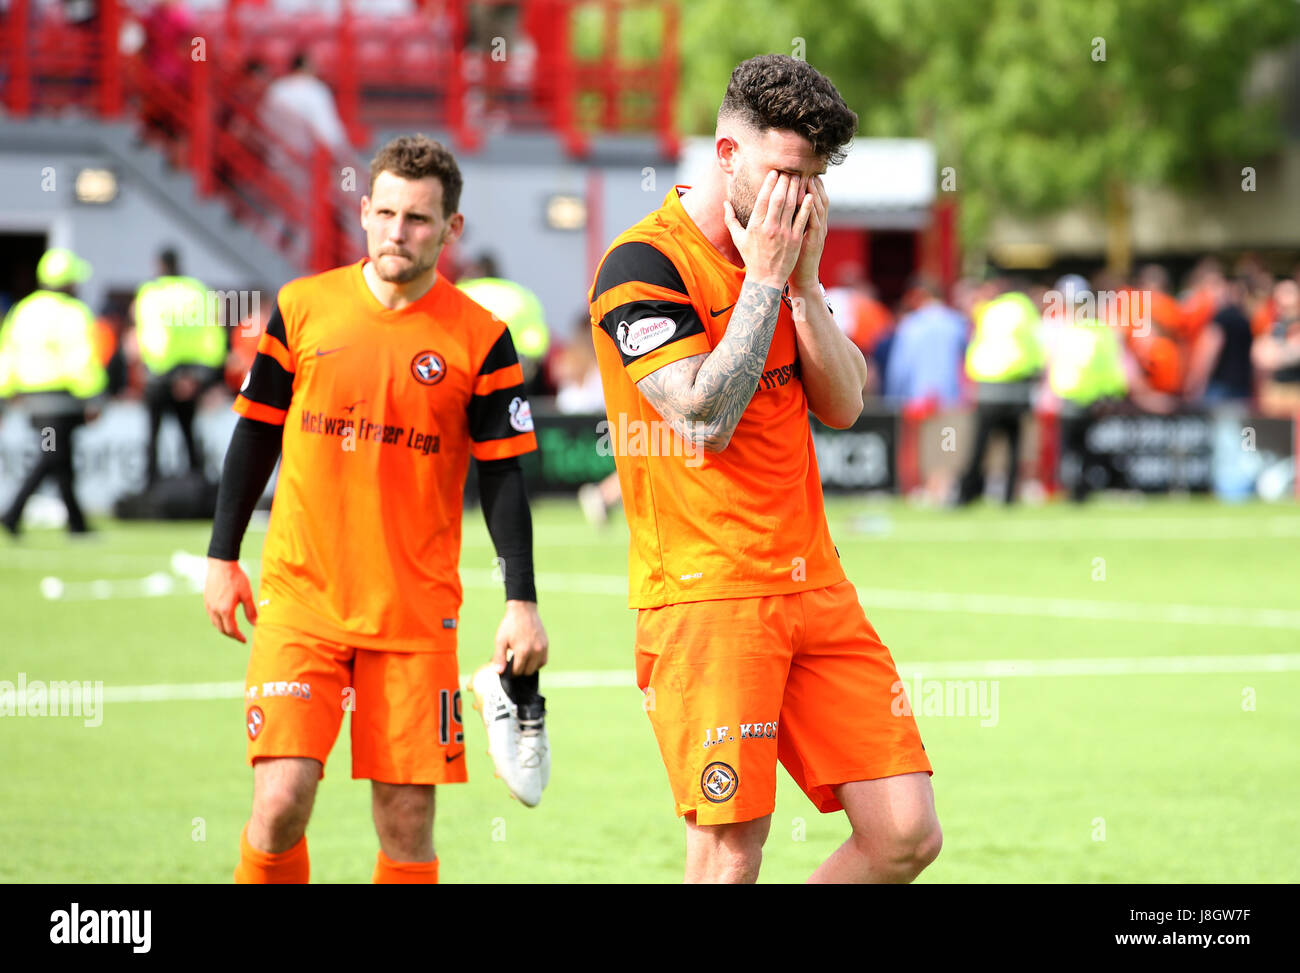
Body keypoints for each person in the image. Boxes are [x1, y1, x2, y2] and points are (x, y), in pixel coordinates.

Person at [588, 55, 940, 884]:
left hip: (814, 583)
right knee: (729, 853)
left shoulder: (792, 261)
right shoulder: (642, 264)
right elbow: (705, 417)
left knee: (904, 834)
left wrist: (805, 287)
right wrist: (766, 279)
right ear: (724, 155)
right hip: (709, 594)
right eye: (785, 173)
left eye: (814, 179)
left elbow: (846, 404)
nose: (799, 199)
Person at [202, 134, 550, 884]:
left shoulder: (481, 338)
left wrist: (521, 600)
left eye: (419, 219)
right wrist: (222, 555)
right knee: (282, 798)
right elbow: (254, 435)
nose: (399, 231)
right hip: (300, 601)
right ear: (363, 213)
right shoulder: (301, 308)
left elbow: (504, 477)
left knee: (405, 818)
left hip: (416, 615)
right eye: (386, 212)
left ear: (452, 230)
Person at [0, 249, 107, 536]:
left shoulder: (23, 310)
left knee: (58, 460)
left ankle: (76, 524)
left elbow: (8, 354)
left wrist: (5, 392)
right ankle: (13, 514)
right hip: (61, 403)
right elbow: (83, 360)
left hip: (35, 401)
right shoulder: (75, 313)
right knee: (50, 457)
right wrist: (94, 397)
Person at [133, 248, 227, 487]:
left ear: (159, 265)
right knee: (189, 434)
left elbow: (147, 338)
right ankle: (198, 486)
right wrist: (200, 376)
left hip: (160, 375)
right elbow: (212, 336)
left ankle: (151, 486)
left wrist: (162, 373)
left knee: (153, 435)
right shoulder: (199, 291)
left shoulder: (151, 293)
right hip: (192, 376)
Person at [956, 282, 1044, 505]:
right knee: (1014, 446)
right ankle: (1009, 497)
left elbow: (976, 344)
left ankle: (968, 494)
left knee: (979, 445)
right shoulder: (1026, 311)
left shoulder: (988, 311)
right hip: (1018, 388)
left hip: (988, 387)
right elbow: (1035, 349)